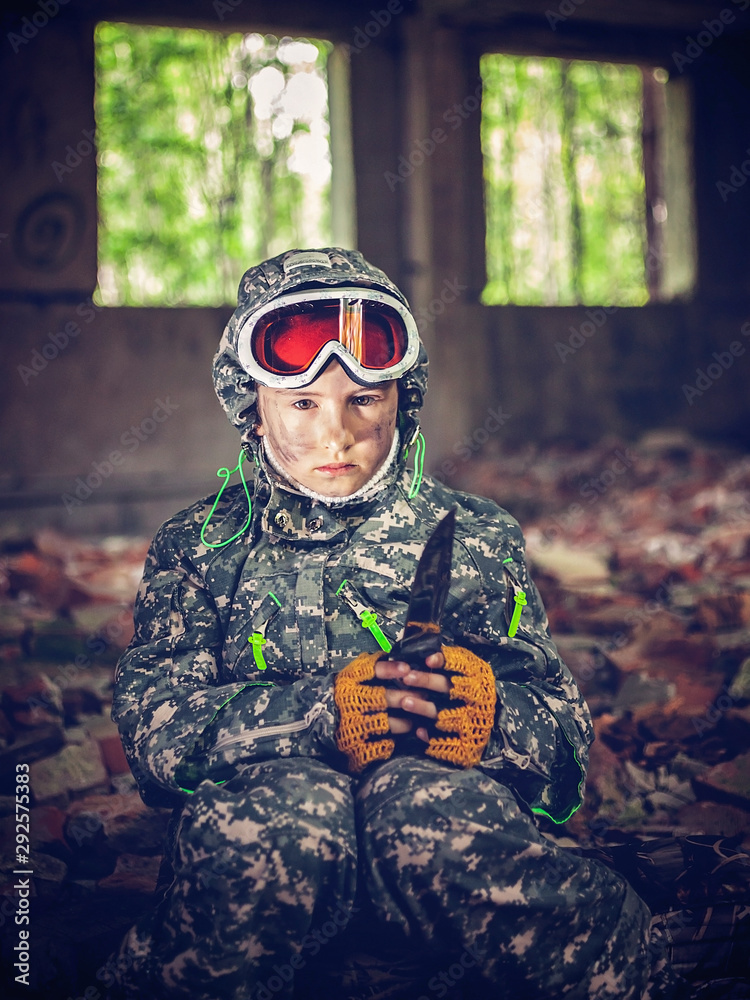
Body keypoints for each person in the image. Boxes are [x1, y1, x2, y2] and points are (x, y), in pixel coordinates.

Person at [109, 247, 680, 1000]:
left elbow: (565, 753)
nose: (335, 436)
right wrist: (321, 715)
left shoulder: (474, 535)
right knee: (286, 817)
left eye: (362, 402)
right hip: (273, 844)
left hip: (435, 853)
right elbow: (155, 734)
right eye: (303, 404)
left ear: (402, 400)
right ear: (253, 406)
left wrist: (490, 714)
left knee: (426, 805)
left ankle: (650, 974)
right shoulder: (200, 546)